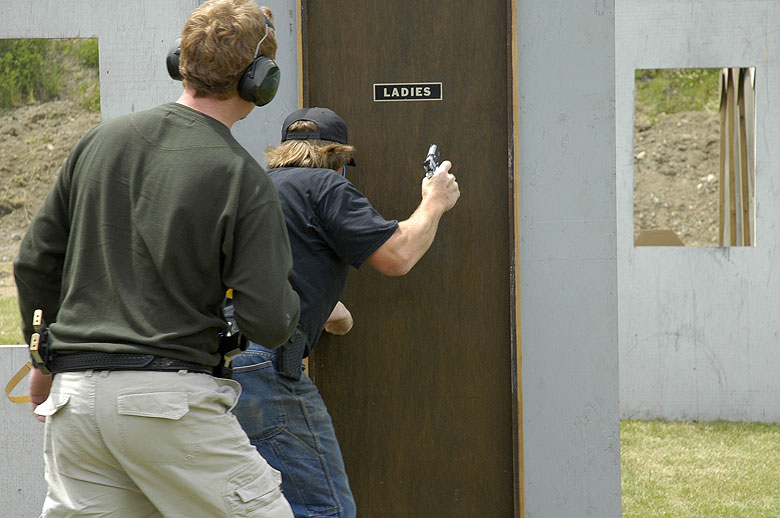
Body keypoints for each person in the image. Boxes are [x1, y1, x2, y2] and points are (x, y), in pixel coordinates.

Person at [13, 1, 300, 516]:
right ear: (262, 81)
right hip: (167, 403)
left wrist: (43, 358)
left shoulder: (97, 142)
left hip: (75, 403)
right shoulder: (241, 177)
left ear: (179, 61)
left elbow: (34, 263)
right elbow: (271, 322)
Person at [230, 107, 460, 518]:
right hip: (268, 370)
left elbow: (277, 274)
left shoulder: (253, 188)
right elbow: (398, 256)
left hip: (218, 367)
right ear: (339, 160)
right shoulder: (325, 186)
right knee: (325, 509)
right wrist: (434, 202)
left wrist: (329, 313)